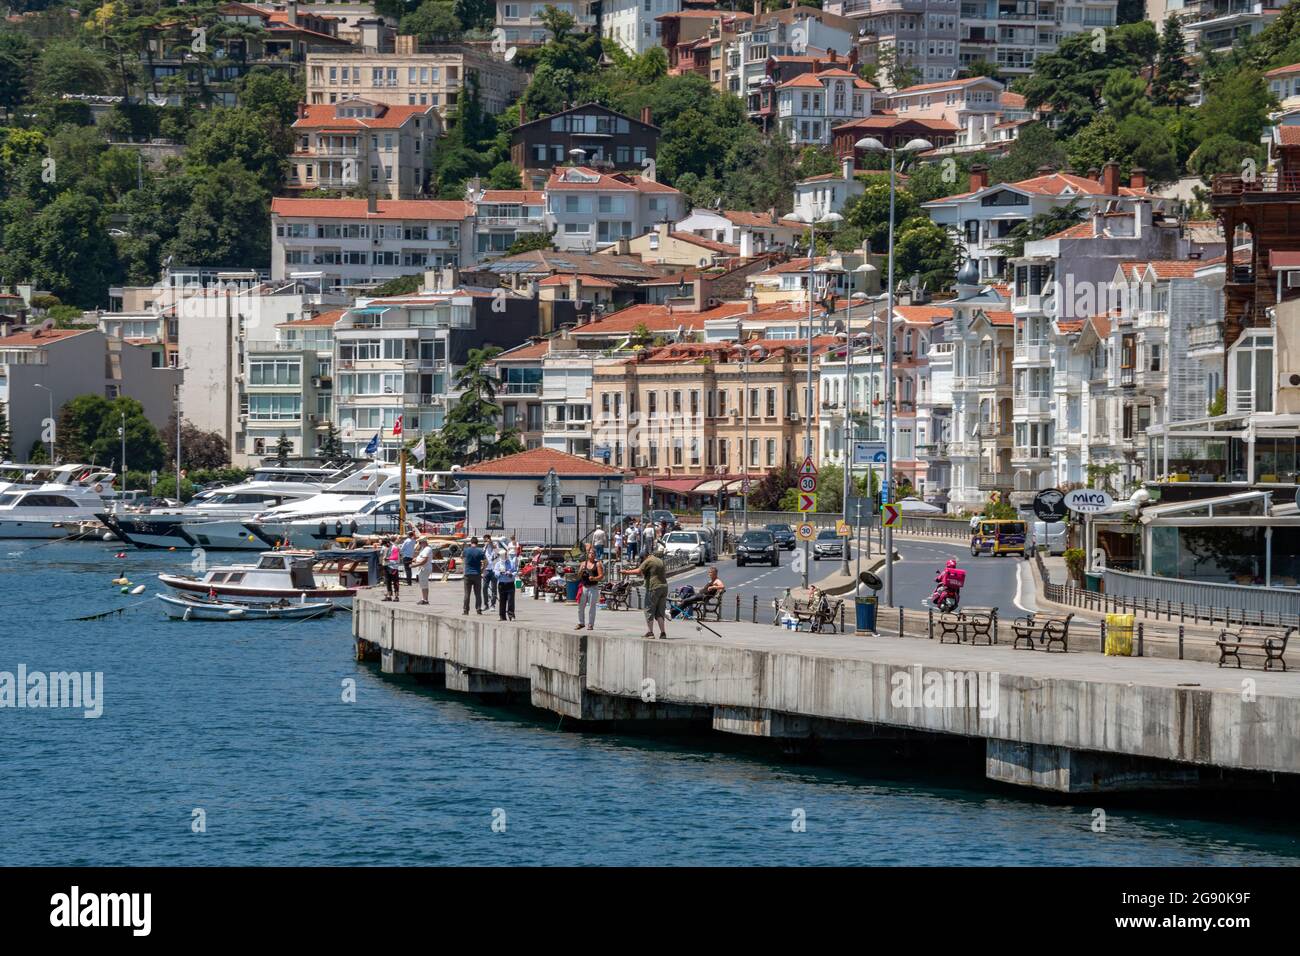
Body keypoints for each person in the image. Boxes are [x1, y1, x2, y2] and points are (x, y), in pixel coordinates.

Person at [622, 547, 668, 639]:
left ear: (644, 556)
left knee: (649, 610)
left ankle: (650, 632)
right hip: (664, 587)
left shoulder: (648, 560)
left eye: (642, 558)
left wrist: (626, 572)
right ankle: (663, 633)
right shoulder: (659, 560)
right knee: (660, 612)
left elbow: (638, 571)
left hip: (653, 587)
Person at [574, 543, 604, 631]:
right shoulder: (583, 563)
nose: (592, 555)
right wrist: (581, 571)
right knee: (580, 606)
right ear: (588, 555)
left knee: (592, 607)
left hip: (593, 587)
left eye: (593, 553)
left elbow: (601, 576)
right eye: (590, 553)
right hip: (584, 587)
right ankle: (581, 622)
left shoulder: (597, 564)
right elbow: (578, 577)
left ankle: (590, 624)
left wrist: (594, 578)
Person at [462, 536, 485, 615]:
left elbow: (462, 557)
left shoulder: (466, 550)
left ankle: (466, 610)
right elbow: (486, 561)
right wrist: (482, 569)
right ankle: (478, 609)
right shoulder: (480, 551)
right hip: (477, 574)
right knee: (478, 594)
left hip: (467, 574)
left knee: (467, 594)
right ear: (477, 543)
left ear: (471, 542)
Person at [493, 547, 518, 621]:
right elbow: (496, 573)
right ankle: (502, 616)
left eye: (506, 555)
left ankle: (511, 615)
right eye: (504, 555)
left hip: (510, 583)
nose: (505, 556)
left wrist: (511, 574)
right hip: (502, 584)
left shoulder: (511, 562)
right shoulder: (498, 564)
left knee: (510, 601)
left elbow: (515, 571)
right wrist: (500, 573)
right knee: (502, 601)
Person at [412, 536, 434, 605]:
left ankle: (425, 599)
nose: (419, 544)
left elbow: (424, 560)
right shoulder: (424, 549)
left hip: (425, 568)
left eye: (420, 542)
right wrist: (416, 559)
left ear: (424, 542)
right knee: (422, 584)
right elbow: (421, 557)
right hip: (423, 568)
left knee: (424, 584)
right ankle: (424, 599)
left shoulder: (427, 549)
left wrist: (414, 565)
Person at [383, 537, 402, 601]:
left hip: (393, 567)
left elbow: (395, 557)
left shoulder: (394, 547)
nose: (385, 546)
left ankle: (396, 596)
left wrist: (387, 559)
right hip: (387, 566)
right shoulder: (388, 547)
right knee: (388, 582)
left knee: (395, 582)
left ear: (388, 543)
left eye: (385, 544)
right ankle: (389, 596)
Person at [483, 535, 498, 610]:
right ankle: (486, 604)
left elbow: (494, 547)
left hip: (494, 570)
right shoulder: (484, 548)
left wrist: (490, 542)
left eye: (486, 540)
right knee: (484, 588)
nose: (485, 542)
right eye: (484, 541)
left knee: (494, 588)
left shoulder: (494, 546)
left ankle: (493, 605)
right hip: (486, 570)